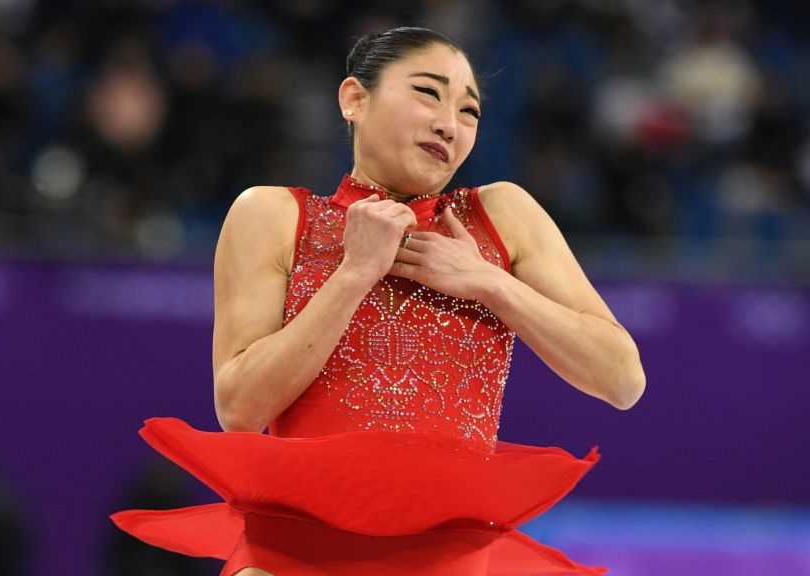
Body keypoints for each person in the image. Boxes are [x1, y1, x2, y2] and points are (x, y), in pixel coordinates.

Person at [112, 26, 645, 575]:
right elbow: (240, 408)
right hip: (291, 560)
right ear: (354, 99)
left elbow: (623, 379)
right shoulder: (272, 216)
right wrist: (354, 273)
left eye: (470, 112)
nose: (449, 123)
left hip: (447, 562)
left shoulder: (502, 215)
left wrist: (489, 282)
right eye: (428, 92)